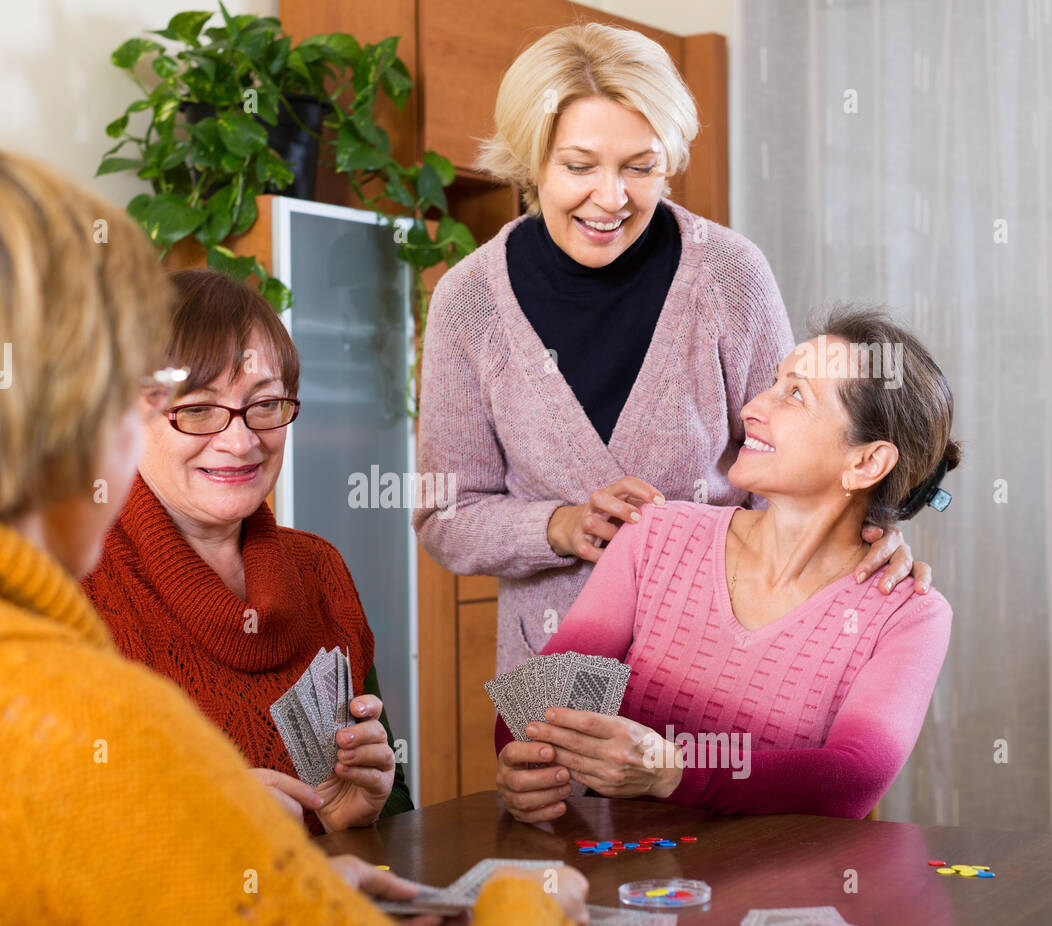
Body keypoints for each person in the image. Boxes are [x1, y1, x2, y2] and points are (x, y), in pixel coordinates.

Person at [0, 142, 597, 926]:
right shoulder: (83, 725)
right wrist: (528, 910)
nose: (233, 435)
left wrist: (274, 893)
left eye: (264, 405)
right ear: (70, 419)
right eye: (149, 396)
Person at [412, 23, 931, 680]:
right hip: (553, 671)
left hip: (727, 666)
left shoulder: (728, 275)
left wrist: (871, 533)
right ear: (530, 160)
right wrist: (560, 525)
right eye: (578, 167)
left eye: (640, 167)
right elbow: (447, 515)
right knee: (547, 781)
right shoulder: (468, 302)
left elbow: (809, 452)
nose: (611, 197)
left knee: (716, 784)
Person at [495, 308, 957, 821]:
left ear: (866, 462)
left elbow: (851, 778)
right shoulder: (655, 534)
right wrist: (529, 766)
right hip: (630, 885)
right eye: (773, 383)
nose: (753, 407)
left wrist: (672, 772)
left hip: (786, 893)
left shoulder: (908, 614)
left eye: (795, 394)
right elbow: (532, 711)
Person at [83, 269, 410, 835]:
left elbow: (394, 805)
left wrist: (353, 816)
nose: (242, 441)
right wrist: (201, 824)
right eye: (198, 409)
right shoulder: (68, 587)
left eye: (265, 405)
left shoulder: (320, 569)